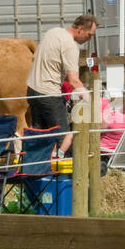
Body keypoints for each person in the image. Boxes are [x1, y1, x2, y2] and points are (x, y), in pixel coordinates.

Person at [27, 15, 97, 156]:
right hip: (49, 94)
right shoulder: (70, 45)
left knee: (39, 134)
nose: (89, 39)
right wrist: (91, 101)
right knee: (64, 139)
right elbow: (74, 80)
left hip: (32, 90)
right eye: (89, 35)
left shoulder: (53, 32)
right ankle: (65, 174)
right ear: (81, 29)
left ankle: (36, 171)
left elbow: (34, 56)